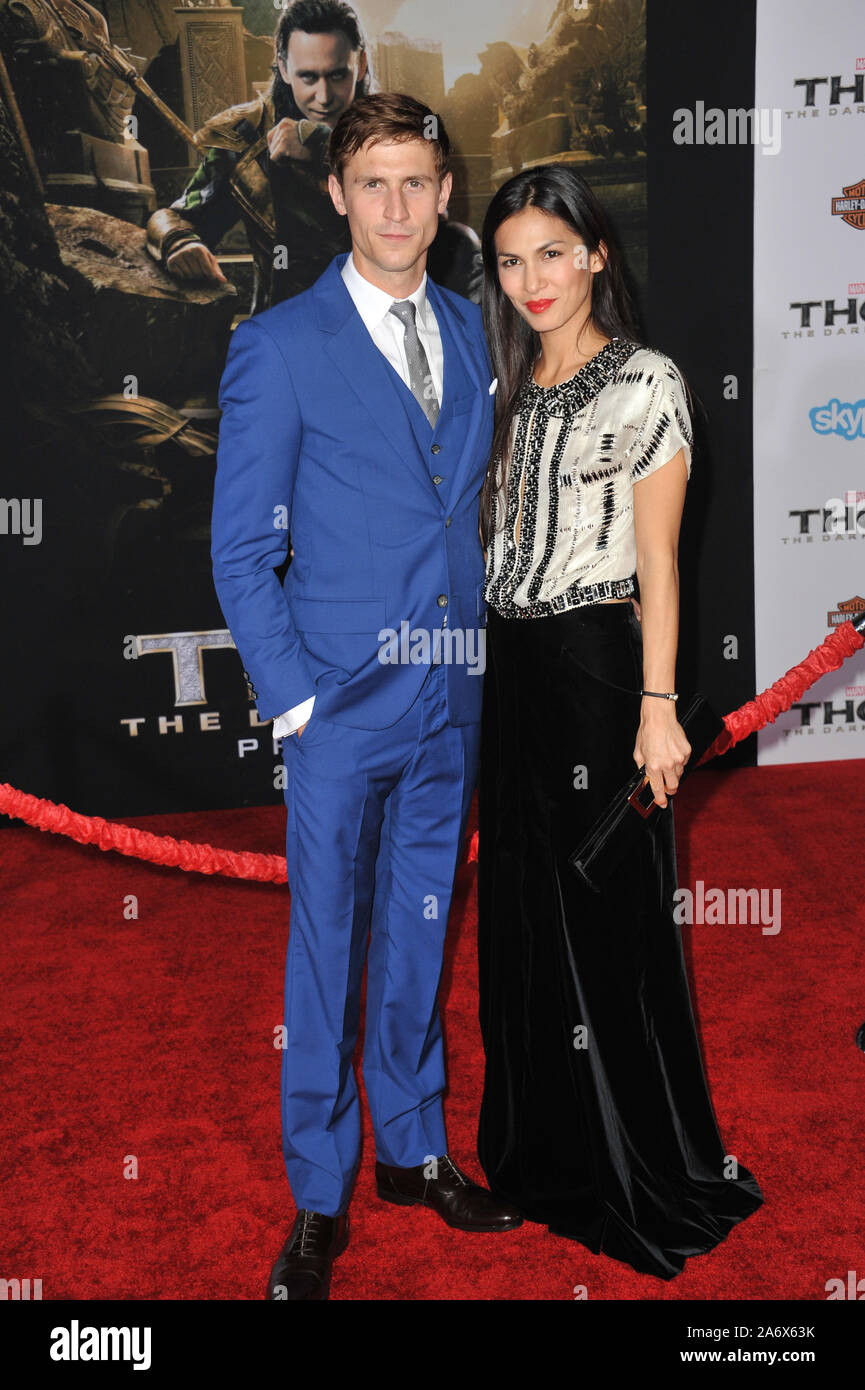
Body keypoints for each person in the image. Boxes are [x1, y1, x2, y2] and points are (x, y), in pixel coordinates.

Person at [211, 91, 521, 1302]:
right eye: (373, 182)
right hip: (339, 708)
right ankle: (316, 1192)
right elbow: (243, 550)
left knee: (420, 932)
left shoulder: (477, 329)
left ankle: (414, 1146)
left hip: (453, 700)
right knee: (325, 953)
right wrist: (297, 702)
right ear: (338, 195)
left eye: (417, 182)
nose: (397, 205)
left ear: (446, 197)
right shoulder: (279, 345)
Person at [475, 164, 764, 1281]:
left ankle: (640, 1169)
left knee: (607, 923)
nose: (531, 279)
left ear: (597, 254)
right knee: (521, 917)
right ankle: (544, 1153)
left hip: (599, 669)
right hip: (512, 672)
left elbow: (658, 562)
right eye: (510, 260)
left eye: (552, 252)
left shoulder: (647, 382)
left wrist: (656, 708)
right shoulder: (507, 378)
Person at [146, 0, 481, 312]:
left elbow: (431, 220)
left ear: (361, 64)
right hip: (292, 326)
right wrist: (179, 243)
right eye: (308, 77)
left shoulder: (397, 131)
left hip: (392, 316)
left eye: (337, 75)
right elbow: (178, 216)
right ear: (283, 67)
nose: (323, 96)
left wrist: (321, 145)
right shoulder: (246, 136)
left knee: (461, 244)